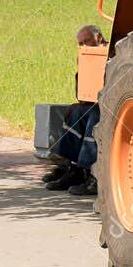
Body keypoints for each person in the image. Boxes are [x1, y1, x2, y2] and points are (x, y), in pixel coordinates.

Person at [42, 25, 106, 196]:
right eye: (80, 43)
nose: (84, 46)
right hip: (95, 102)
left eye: (87, 41)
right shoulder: (87, 57)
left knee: (93, 115)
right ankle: (71, 167)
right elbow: (83, 90)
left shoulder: (110, 53)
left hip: (112, 103)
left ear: (99, 38)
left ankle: (87, 172)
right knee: (76, 112)